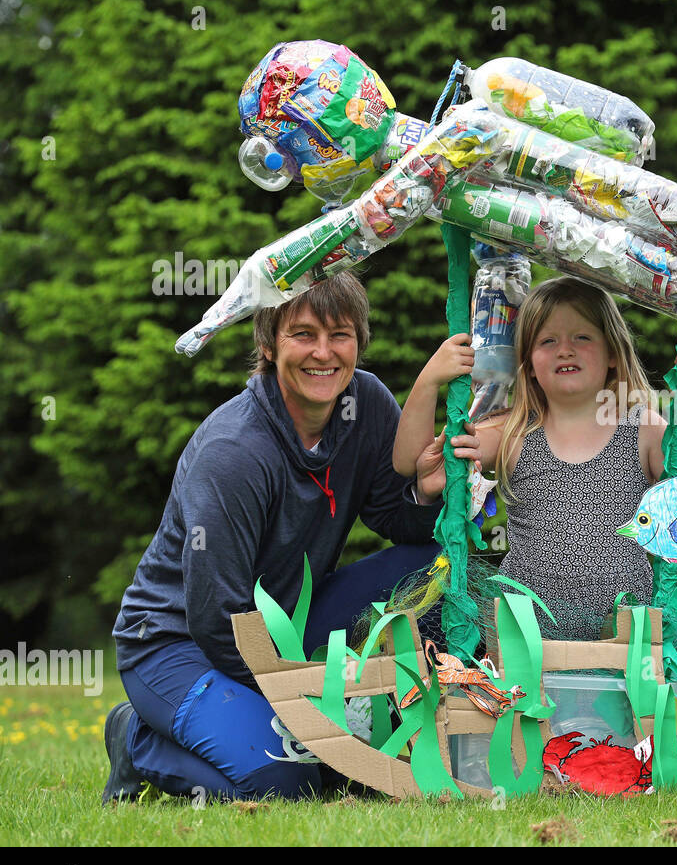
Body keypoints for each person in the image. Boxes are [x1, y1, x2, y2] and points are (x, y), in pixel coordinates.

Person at [104, 272, 480, 803]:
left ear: (359, 342)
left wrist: (423, 492)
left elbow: (397, 524)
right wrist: (315, 702)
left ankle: (427, 714)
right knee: (288, 778)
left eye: (340, 334)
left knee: (436, 563)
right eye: (303, 334)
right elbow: (217, 617)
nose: (323, 353)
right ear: (267, 343)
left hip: (288, 622)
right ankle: (137, 738)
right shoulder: (234, 453)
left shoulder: (364, 404)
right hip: (179, 644)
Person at [394, 276, 677, 636]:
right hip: (523, 639)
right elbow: (408, 461)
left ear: (614, 354)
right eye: (548, 340)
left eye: (582, 337)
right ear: (527, 364)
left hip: (620, 637)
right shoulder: (513, 433)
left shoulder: (643, 428)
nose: (565, 349)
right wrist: (429, 380)